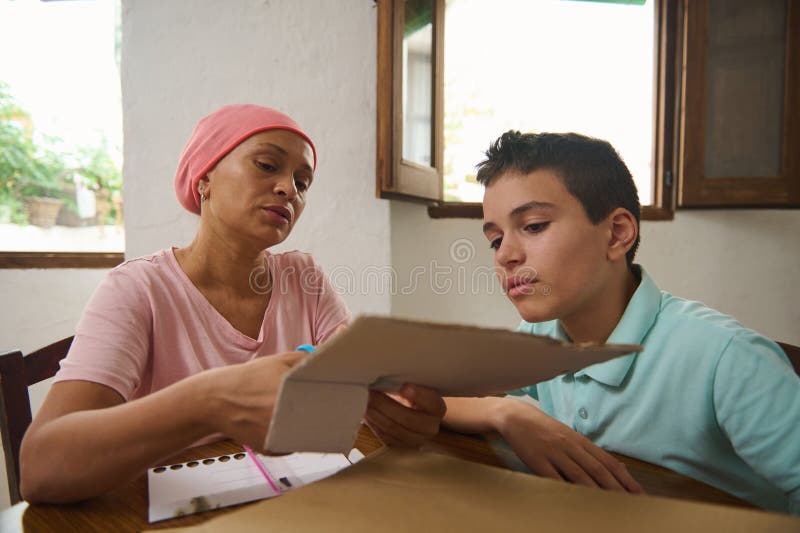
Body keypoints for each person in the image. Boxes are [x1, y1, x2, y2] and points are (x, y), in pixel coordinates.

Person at [20, 104, 446, 504]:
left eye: (303, 182)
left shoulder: (304, 277)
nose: (288, 189)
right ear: (203, 178)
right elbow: (40, 468)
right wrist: (210, 402)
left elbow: (363, 375)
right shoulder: (138, 289)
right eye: (266, 165)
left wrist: (398, 407)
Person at [443, 131, 800, 514]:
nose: (507, 256)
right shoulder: (541, 338)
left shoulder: (726, 358)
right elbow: (428, 392)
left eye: (533, 226)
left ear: (616, 233)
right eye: (495, 240)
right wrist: (508, 413)